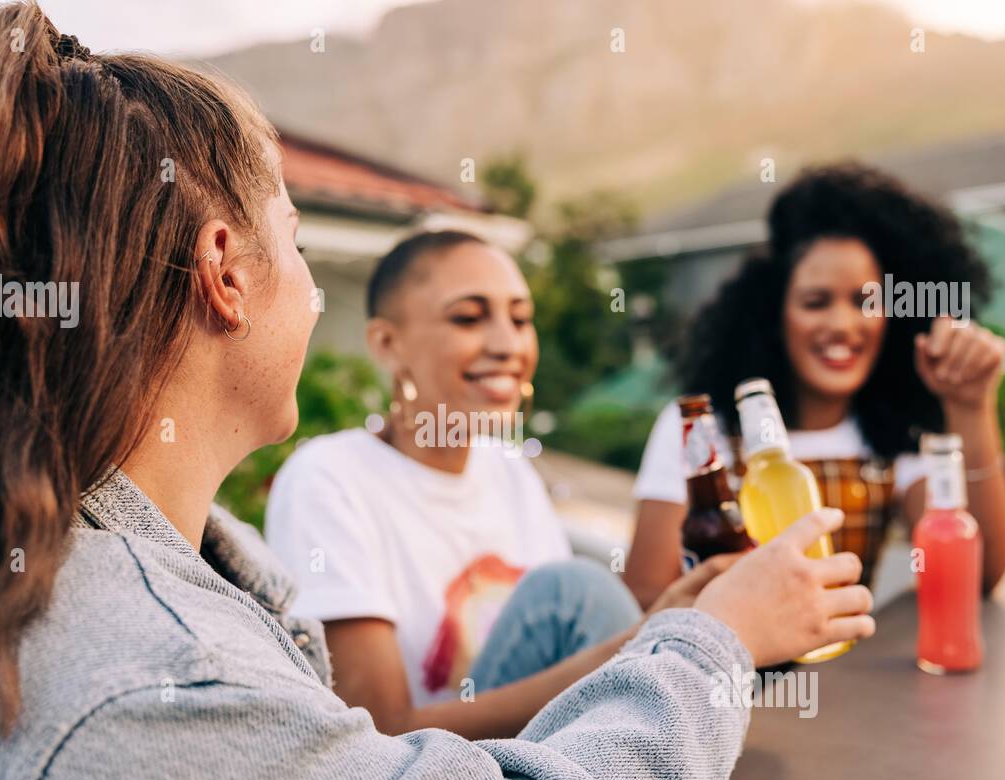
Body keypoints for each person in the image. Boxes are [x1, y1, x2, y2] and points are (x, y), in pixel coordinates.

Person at [0, 4, 872, 780]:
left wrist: (672, 632)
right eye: (297, 243)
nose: (312, 291)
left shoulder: (104, 563)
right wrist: (715, 645)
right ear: (225, 272)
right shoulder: (148, 683)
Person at [267, 231, 741, 739]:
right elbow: (383, 731)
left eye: (520, 319)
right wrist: (637, 642)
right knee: (575, 590)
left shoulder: (509, 469)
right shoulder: (329, 478)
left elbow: (560, 656)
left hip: (534, 763)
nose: (507, 345)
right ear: (388, 344)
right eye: (469, 317)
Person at [624, 163, 1005, 609]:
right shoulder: (698, 427)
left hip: (841, 673)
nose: (842, 325)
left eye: (865, 301)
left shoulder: (895, 435)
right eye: (816, 302)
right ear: (774, 315)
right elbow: (646, 599)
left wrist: (972, 406)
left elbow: (978, 576)